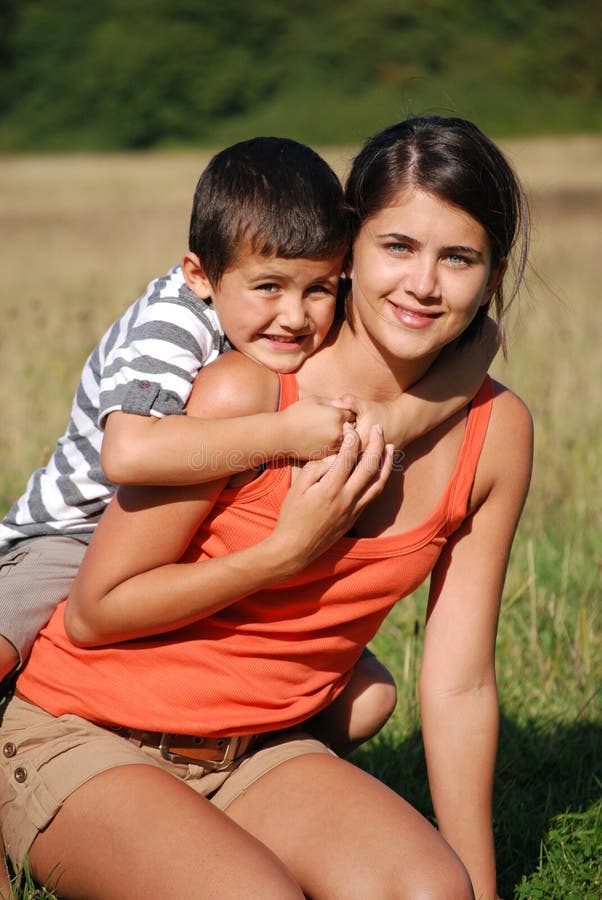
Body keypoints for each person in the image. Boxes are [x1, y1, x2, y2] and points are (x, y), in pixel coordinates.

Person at [0, 115, 532, 899]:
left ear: (491, 277)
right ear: (349, 250)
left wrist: (482, 891)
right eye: (398, 248)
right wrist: (284, 552)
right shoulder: (242, 395)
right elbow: (93, 614)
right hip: (82, 728)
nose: (423, 285)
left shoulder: (498, 432)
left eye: (460, 259)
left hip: (259, 747)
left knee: (433, 893)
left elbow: (458, 686)